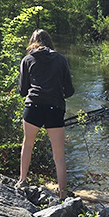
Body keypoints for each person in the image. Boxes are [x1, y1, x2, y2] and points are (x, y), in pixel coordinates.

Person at [17, 29, 74, 199]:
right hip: (54, 108)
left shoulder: (27, 59)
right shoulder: (61, 60)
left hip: (33, 105)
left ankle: (22, 181)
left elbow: (22, 90)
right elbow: (69, 90)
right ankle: (63, 192)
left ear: (32, 42)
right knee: (59, 154)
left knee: (27, 145)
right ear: (49, 42)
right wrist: (55, 94)